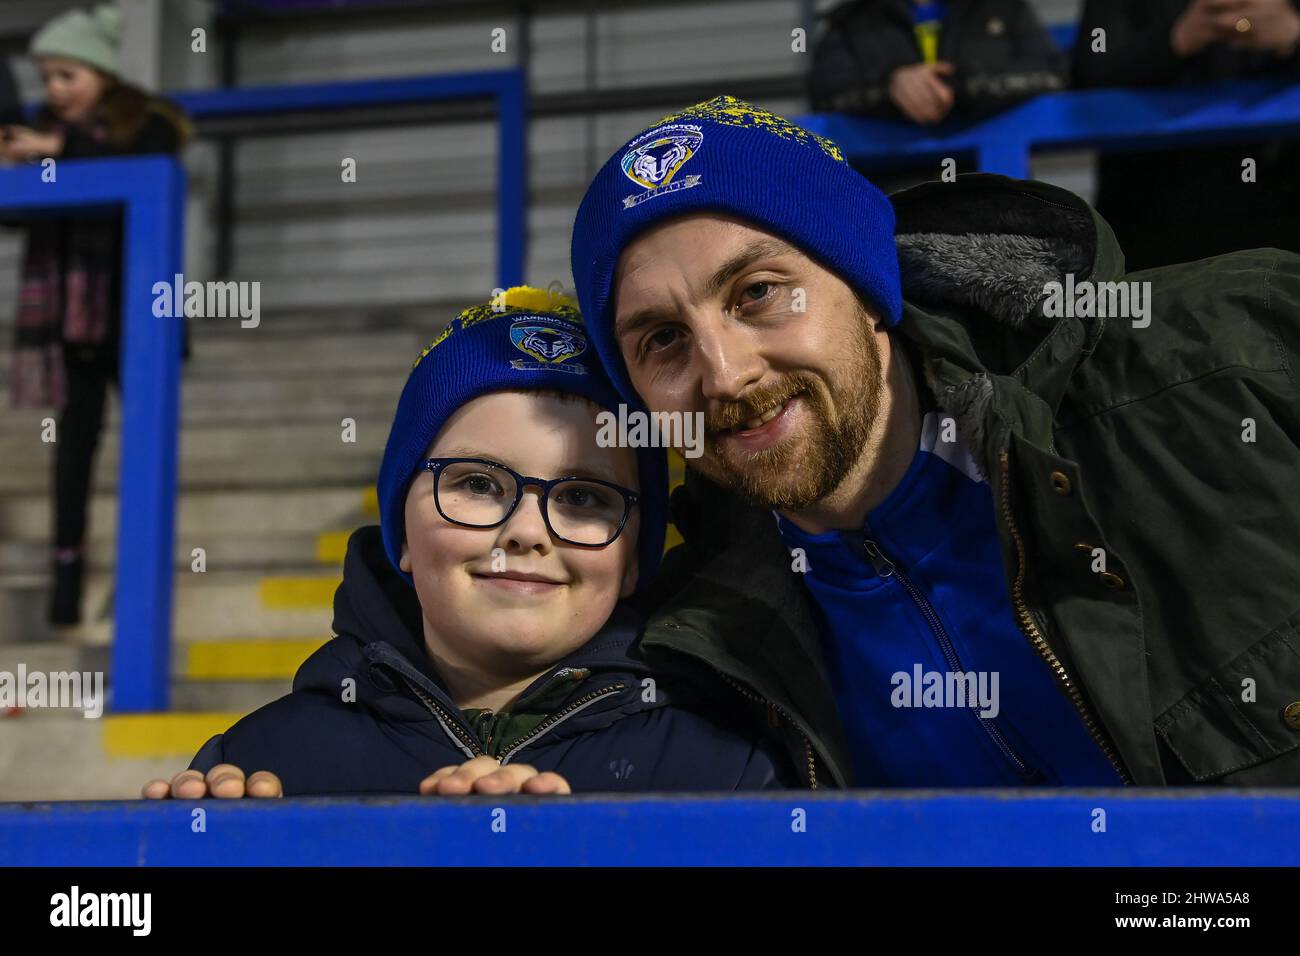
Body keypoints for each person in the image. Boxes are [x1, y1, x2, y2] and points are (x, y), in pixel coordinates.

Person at [569, 94, 1300, 787]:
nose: (724, 375)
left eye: (758, 292)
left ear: (867, 287)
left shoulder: (1235, 359)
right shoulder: (699, 643)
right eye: (663, 339)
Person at [143, 287, 804, 799]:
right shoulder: (265, 766)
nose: (524, 530)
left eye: (583, 497)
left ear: (634, 557)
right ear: (403, 530)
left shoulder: (726, 771)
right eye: (479, 485)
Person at [0, 4, 192, 626]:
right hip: (73, 328)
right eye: (47, 78)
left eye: (67, 76)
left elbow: (149, 167)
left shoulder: (150, 120)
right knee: (71, 456)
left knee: (147, 452)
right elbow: (18, 215)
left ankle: (144, 587)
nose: (54, 92)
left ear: (103, 74)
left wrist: (60, 150)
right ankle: (66, 588)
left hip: (140, 323)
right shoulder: (40, 133)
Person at [1072, 0, 1300, 270]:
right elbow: (1089, 76)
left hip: (1282, 210)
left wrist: (1293, 35)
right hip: (1154, 217)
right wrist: (1178, 38)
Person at [809, 0, 1065, 125]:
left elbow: (1053, 76)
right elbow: (824, 94)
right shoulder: (853, 20)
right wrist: (890, 87)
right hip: (892, 201)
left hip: (996, 192)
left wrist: (962, 85)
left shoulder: (1003, 8)